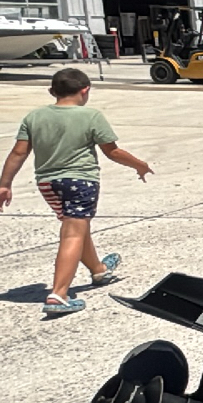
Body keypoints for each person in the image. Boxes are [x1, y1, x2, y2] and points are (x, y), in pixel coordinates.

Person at [0, 68, 152, 314]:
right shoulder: (91, 116)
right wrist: (139, 165)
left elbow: (19, 152)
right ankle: (59, 295)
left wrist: (5, 184)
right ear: (85, 90)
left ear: (52, 91)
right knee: (73, 233)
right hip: (80, 182)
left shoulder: (34, 117)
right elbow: (112, 151)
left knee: (78, 228)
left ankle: (99, 270)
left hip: (48, 184)